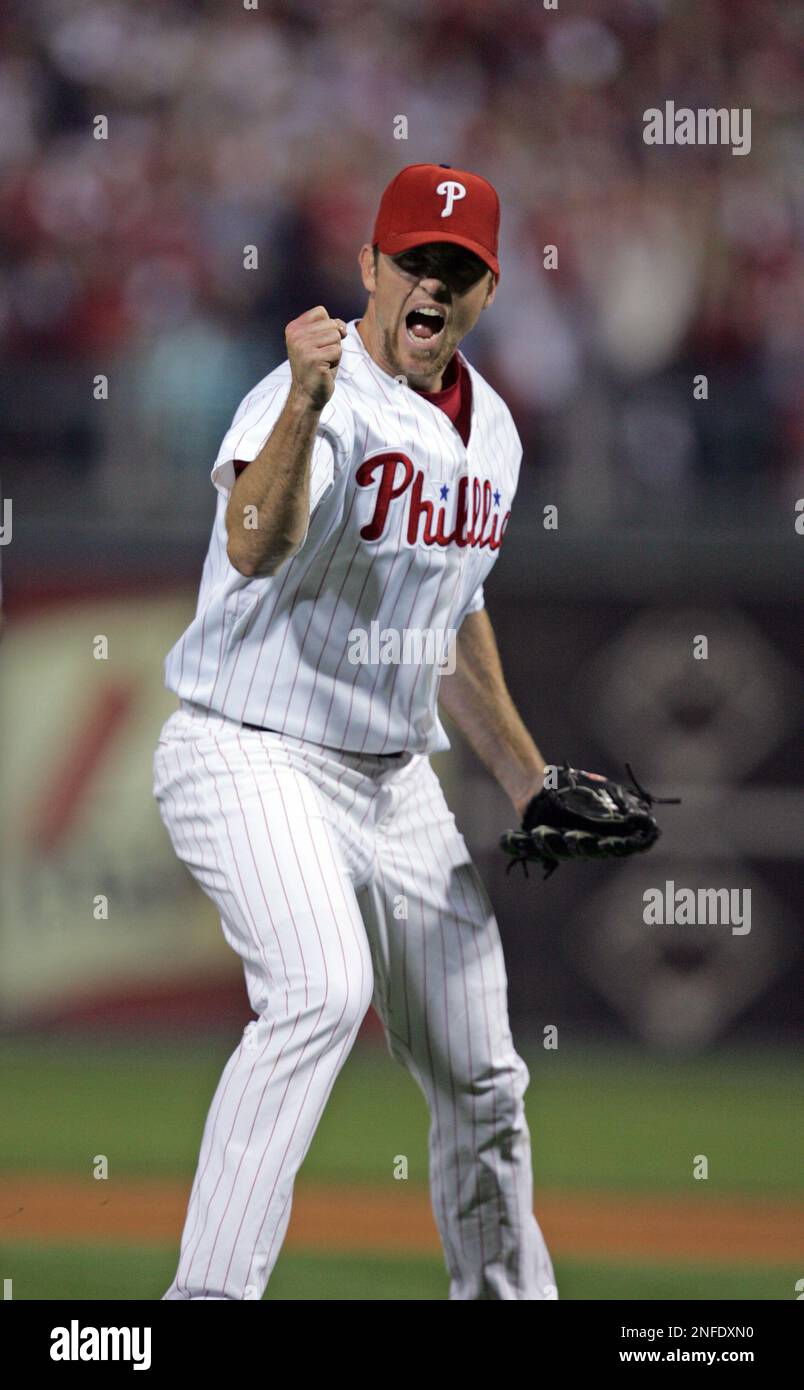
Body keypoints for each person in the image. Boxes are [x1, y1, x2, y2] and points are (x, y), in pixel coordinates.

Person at [152, 163, 558, 1300]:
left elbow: (453, 612)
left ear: (484, 289)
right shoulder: (307, 393)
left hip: (396, 785)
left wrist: (526, 783)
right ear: (372, 267)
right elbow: (251, 542)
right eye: (414, 260)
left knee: (485, 1074)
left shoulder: (499, 438)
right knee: (322, 989)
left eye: (459, 268)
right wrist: (300, 403)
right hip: (248, 748)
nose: (433, 282)